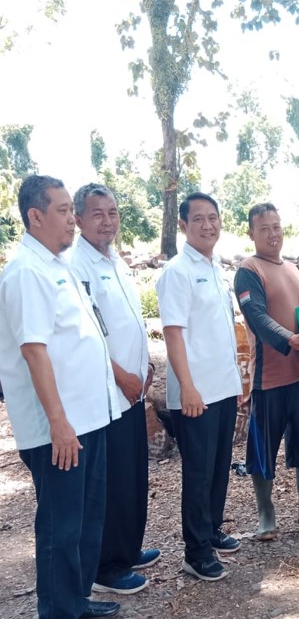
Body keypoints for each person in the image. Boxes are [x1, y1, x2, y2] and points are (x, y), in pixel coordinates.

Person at [0, 175, 122, 619]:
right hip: (60, 426)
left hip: (88, 417)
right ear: (35, 216)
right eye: (63, 211)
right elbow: (34, 352)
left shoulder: (57, 264)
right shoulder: (26, 272)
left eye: (73, 210)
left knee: (86, 519)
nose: (73, 220)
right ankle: (57, 610)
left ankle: (76, 600)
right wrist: (58, 423)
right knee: (60, 524)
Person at [71, 184, 160, 595]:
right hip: (109, 391)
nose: (107, 221)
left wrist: (144, 365)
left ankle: (127, 547)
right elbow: (88, 333)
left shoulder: (114, 260)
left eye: (112, 212)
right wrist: (123, 374)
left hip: (133, 387)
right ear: (78, 219)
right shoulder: (78, 264)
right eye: (97, 214)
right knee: (114, 479)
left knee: (133, 474)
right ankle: (107, 566)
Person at [235, 203, 299, 541]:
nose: (272, 233)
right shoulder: (248, 271)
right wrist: (290, 338)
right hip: (270, 377)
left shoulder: (292, 269)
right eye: (263, 228)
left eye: (276, 226)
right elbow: (257, 318)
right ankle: (266, 513)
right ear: (251, 233)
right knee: (263, 446)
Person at [156, 192, 242, 581]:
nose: (208, 225)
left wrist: (237, 380)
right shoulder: (178, 271)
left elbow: (222, 332)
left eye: (213, 217)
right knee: (199, 471)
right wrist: (187, 387)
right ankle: (196, 551)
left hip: (222, 386)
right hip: (195, 393)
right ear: (183, 225)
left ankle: (211, 530)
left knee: (220, 464)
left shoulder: (215, 266)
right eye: (199, 219)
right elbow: (173, 335)